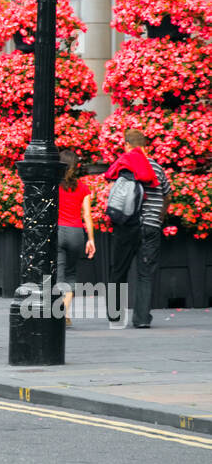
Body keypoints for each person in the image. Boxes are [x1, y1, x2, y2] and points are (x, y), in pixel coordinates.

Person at [104, 129, 171, 329]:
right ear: (145, 146)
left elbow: (118, 195)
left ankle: (116, 316)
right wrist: (161, 214)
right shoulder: (157, 168)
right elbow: (167, 193)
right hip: (150, 225)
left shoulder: (124, 166)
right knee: (145, 273)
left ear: (126, 145)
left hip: (127, 226)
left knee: (119, 270)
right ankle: (141, 319)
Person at [56, 149, 95, 326]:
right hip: (76, 232)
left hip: (58, 231)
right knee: (71, 274)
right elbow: (87, 215)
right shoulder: (83, 187)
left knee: (59, 274)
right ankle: (64, 313)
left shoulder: (54, 185)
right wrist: (91, 239)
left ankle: (57, 313)